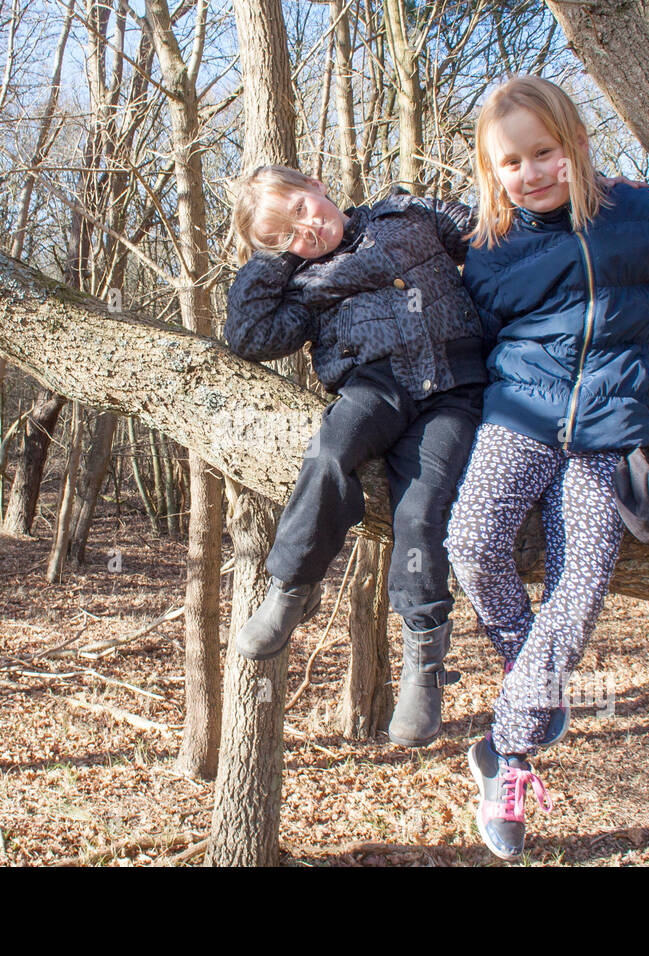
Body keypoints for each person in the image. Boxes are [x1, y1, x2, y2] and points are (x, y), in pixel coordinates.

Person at [445, 75, 649, 860]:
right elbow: (468, 341)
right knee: (471, 545)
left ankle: (509, 754)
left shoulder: (633, 214)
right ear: (490, 172)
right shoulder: (489, 247)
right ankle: (529, 674)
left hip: (608, 431)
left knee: (582, 579)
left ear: (575, 144)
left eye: (546, 153)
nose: (531, 173)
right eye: (511, 163)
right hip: (519, 420)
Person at [223, 164, 491, 747]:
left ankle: (424, 661)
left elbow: (489, 230)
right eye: (287, 235)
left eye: (301, 210)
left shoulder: (407, 213)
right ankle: (292, 587)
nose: (307, 231)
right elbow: (248, 337)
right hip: (375, 386)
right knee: (327, 455)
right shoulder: (306, 282)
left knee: (421, 512)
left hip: (455, 387)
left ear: (317, 185)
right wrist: (275, 257)